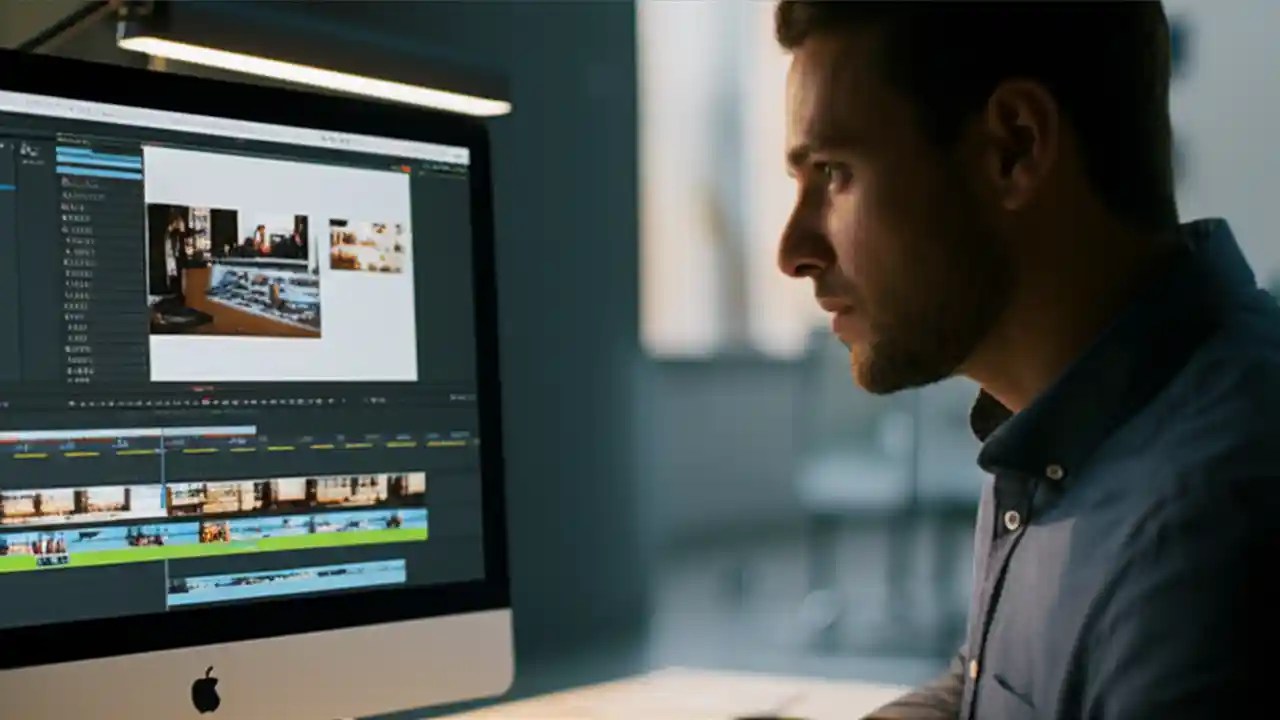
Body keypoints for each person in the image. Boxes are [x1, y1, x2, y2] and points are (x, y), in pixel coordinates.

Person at [772, 2, 1278, 718]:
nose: (792, 251)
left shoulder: (1205, 536)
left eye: (833, 173)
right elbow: (990, 688)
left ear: (1014, 148)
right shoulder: (1068, 423)